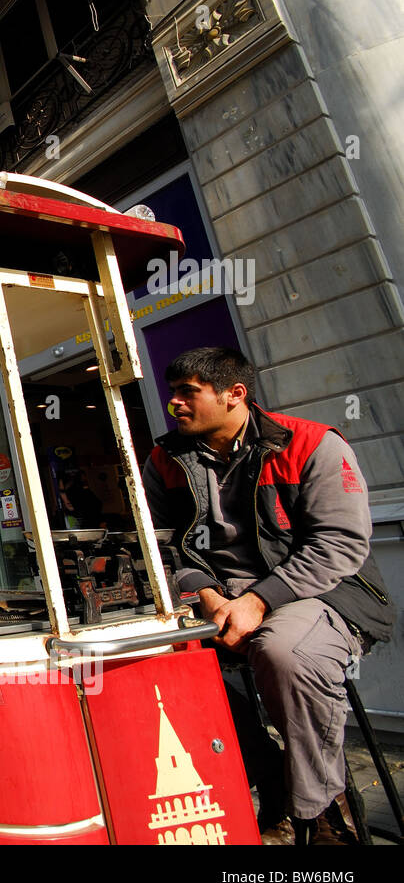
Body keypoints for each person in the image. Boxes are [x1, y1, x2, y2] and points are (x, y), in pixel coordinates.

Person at [142, 347, 392, 846]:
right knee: (149, 661)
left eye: (188, 393)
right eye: (173, 394)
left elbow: (339, 544)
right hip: (213, 596)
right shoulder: (163, 458)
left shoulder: (313, 444)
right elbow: (159, 546)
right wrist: (207, 595)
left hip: (319, 590)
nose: (175, 405)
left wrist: (257, 601)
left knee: (285, 653)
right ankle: (272, 774)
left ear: (235, 394)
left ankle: (320, 809)